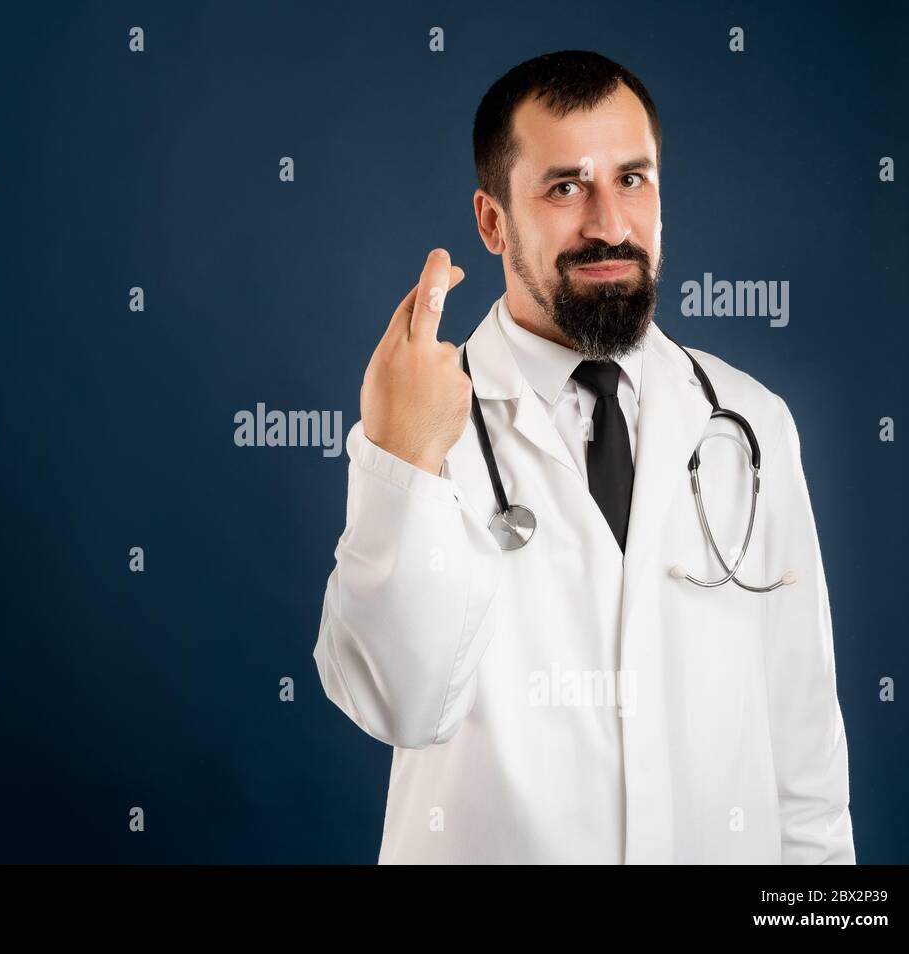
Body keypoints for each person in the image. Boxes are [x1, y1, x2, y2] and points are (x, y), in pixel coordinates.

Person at [312, 50, 854, 864]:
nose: (609, 223)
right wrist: (405, 455)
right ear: (492, 221)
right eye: (566, 187)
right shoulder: (425, 423)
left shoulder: (750, 423)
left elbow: (806, 768)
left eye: (632, 179)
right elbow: (399, 705)